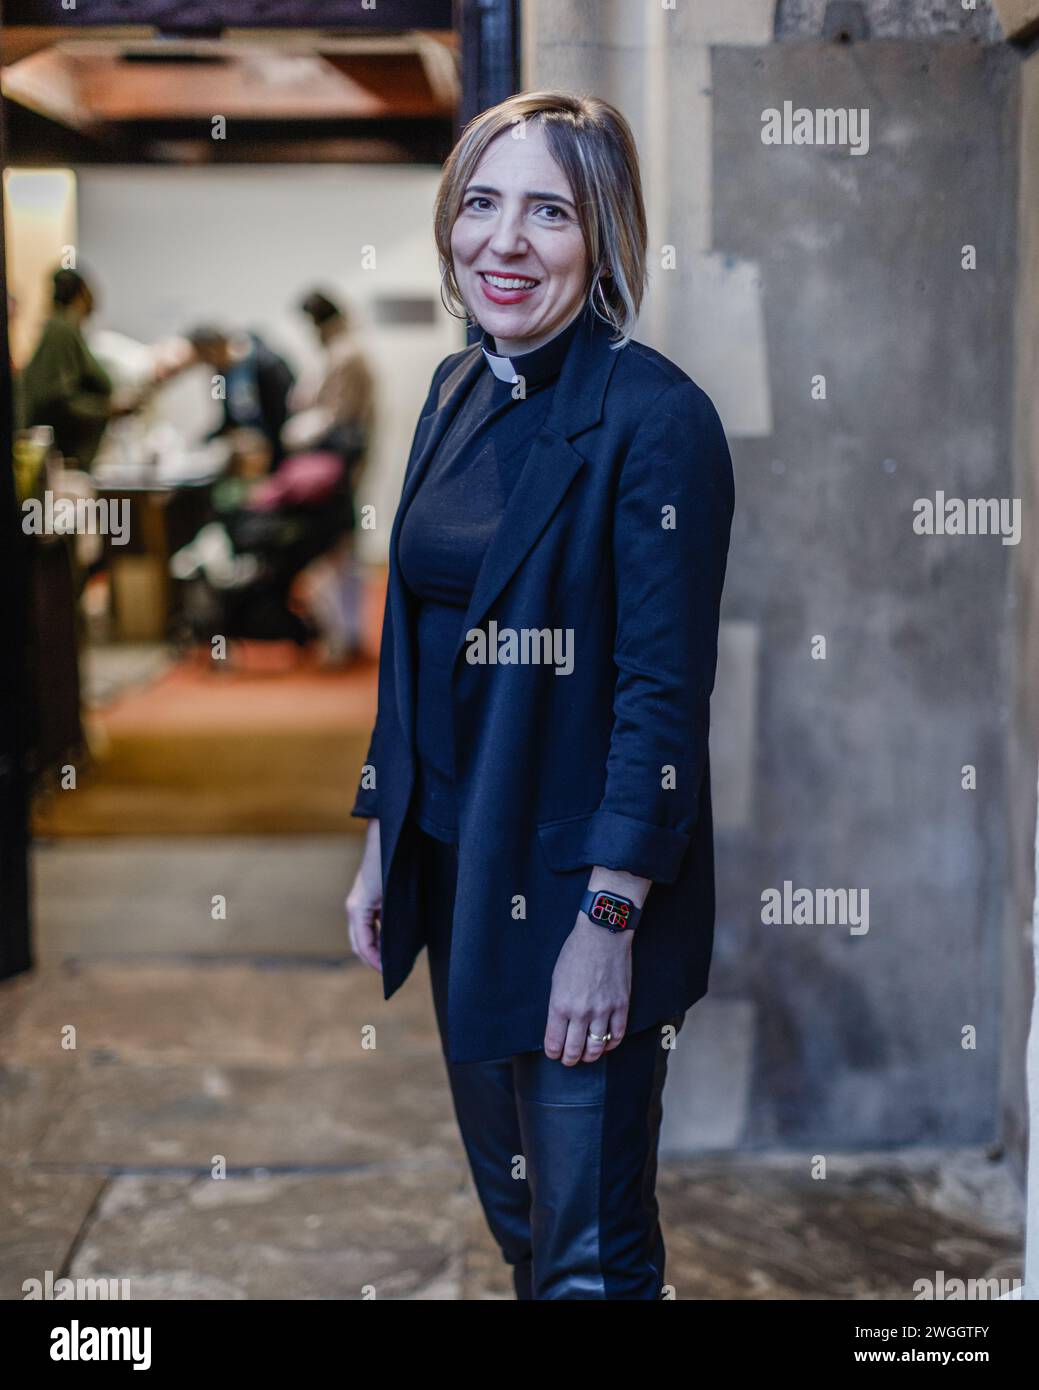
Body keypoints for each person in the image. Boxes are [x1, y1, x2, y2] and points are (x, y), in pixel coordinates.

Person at [344, 91, 735, 1300]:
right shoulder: (458, 391)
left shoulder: (654, 419)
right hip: (462, 873)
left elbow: (659, 700)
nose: (502, 242)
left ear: (602, 233)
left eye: (548, 211)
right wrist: (378, 837)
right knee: (521, 1226)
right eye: (481, 203)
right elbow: (413, 635)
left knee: (588, 1258)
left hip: (576, 895)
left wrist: (607, 924)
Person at [283, 291, 377, 663]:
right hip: (336, 464)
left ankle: (344, 636)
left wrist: (295, 432)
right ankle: (344, 634)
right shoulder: (341, 351)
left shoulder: (345, 355)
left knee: (334, 550)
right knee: (340, 549)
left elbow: (335, 417)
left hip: (335, 466)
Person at [17, 268, 124, 469]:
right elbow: (55, 396)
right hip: (63, 457)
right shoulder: (61, 331)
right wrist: (106, 409)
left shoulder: (67, 330)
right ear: (81, 294)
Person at [188, 325, 295, 469]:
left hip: (274, 445)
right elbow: (223, 415)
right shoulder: (218, 375)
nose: (207, 364)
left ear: (216, 348)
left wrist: (259, 440)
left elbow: (285, 412)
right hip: (244, 443)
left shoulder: (267, 364)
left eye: (206, 358)